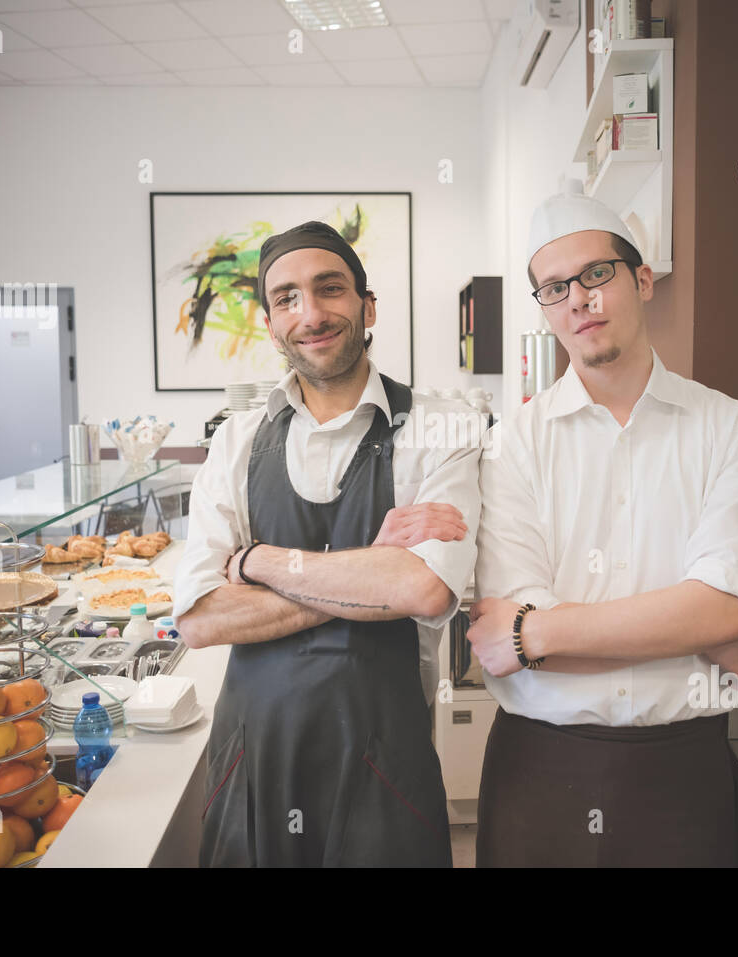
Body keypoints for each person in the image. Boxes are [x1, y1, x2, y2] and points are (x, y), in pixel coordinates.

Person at [468, 185, 738, 867]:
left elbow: (723, 604)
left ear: (642, 281)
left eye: (595, 274)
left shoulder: (730, 429)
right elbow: (713, 616)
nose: (577, 298)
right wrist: (699, 633)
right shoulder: (512, 443)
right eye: (553, 288)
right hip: (540, 769)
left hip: (683, 776)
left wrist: (535, 631)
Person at [175, 220, 483, 867]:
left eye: (329, 289)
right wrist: (372, 564)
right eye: (286, 297)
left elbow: (422, 588)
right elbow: (201, 619)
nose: (310, 314)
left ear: (368, 306)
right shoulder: (235, 442)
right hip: (251, 760)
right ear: (269, 322)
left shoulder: (438, 427)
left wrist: (254, 563)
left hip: (385, 766)